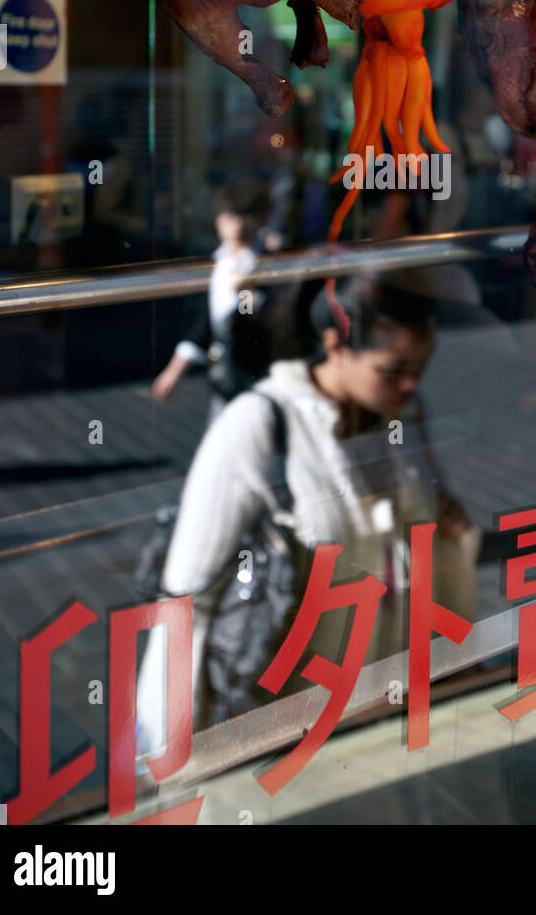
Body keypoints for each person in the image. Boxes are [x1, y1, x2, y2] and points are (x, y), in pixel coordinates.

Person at [135, 272, 478, 753]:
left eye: (422, 365)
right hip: (285, 734)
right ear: (336, 345)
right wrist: (177, 757)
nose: (411, 382)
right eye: (393, 368)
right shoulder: (260, 422)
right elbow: (187, 605)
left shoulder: (404, 414)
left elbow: (423, 536)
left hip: (385, 719)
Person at [152, 182, 275, 424]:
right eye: (230, 218)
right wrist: (174, 371)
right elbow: (205, 322)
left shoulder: (268, 261)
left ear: (260, 219)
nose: (238, 226)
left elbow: (268, 319)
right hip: (226, 372)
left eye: (245, 218)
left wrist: (248, 291)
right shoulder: (219, 261)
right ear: (218, 220)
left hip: (258, 373)